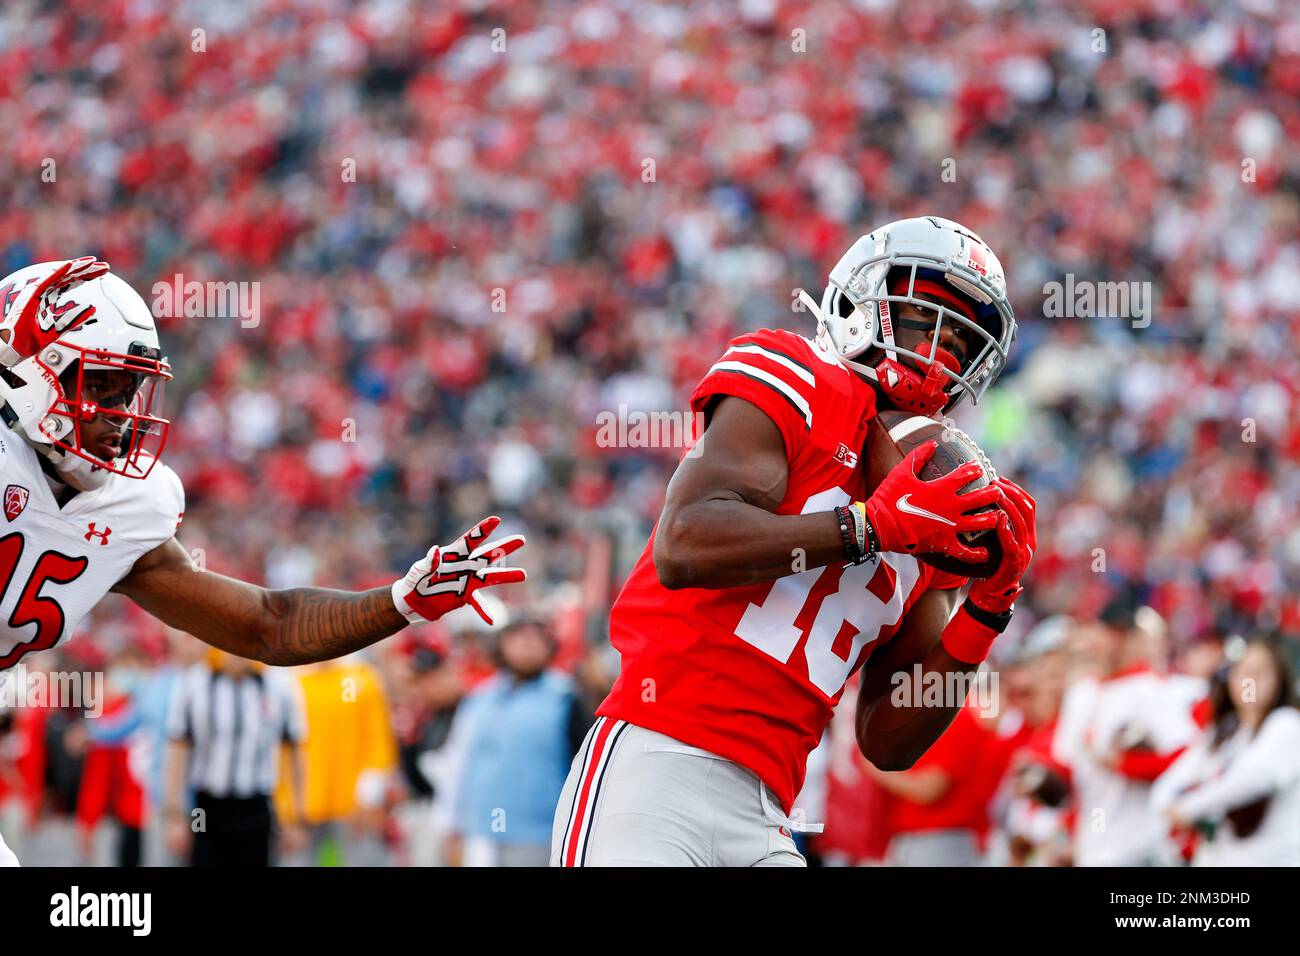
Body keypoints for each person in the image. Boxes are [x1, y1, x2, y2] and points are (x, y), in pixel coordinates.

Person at [0, 259, 526, 864]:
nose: (123, 415)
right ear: (30, 375)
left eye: (130, 390)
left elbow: (265, 624)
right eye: (102, 387)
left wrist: (399, 601)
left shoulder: (127, 509)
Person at [552, 217, 1037, 866]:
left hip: (768, 808)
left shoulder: (939, 509)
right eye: (928, 319)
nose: (942, 351)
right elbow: (684, 544)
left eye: (960, 338)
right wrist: (868, 528)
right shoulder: (797, 375)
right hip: (656, 757)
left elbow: (889, 739)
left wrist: (989, 609)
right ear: (862, 301)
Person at [446, 615, 589, 866]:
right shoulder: (480, 697)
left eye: (536, 638)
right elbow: (459, 761)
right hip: (481, 831)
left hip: (538, 836)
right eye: (519, 637)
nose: (527, 644)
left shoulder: (566, 698)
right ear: (502, 644)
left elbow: (584, 766)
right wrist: (450, 822)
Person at [1152, 638, 1300, 866]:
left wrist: (1189, 808)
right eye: (1244, 671)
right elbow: (1169, 784)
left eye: (1260, 672)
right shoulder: (1224, 734)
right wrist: (1170, 807)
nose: (1250, 681)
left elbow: (1256, 778)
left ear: (1279, 679)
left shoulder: (1287, 724)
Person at [164, 648, 306, 866]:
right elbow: (178, 751)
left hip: (256, 805)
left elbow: (295, 752)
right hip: (205, 806)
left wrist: (296, 817)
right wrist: (175, 816)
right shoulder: (193, 683)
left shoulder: (279, 685)